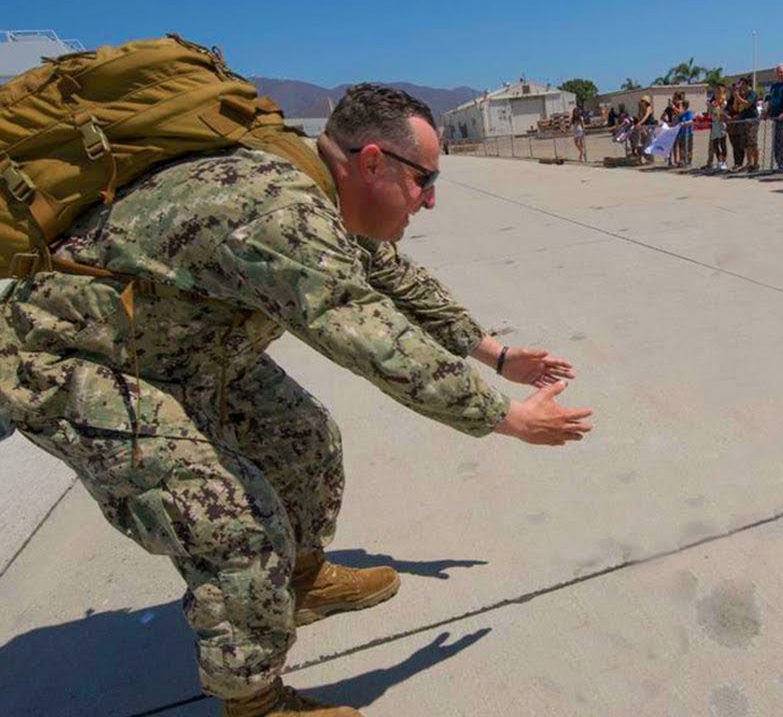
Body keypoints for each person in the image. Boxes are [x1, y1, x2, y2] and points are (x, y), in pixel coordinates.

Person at [0, 84, 594, 717]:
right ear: (372, 163)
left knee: (302, 440)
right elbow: (367, 332)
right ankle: (255, 703)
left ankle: (300, 581)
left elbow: (388, 275)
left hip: (177, 351)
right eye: (425, 180)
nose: (431, 200)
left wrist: (497, 355)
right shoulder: (276, 209)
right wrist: (506, 418)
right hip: (75, 364)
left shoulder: (313, 184)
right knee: (236, 527)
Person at [706, 84, 729, 170]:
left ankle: (724, 161)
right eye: (715, 93)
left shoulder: (724, 103)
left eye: (719, 92)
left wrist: (719, 108)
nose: (717, 94)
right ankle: (719, 161)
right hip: (714, 125)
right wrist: (709, 107)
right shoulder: (713, 103)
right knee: (715, 144)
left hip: (722, 125)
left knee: (723, 144)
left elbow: (723, 113)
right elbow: (709, 114)